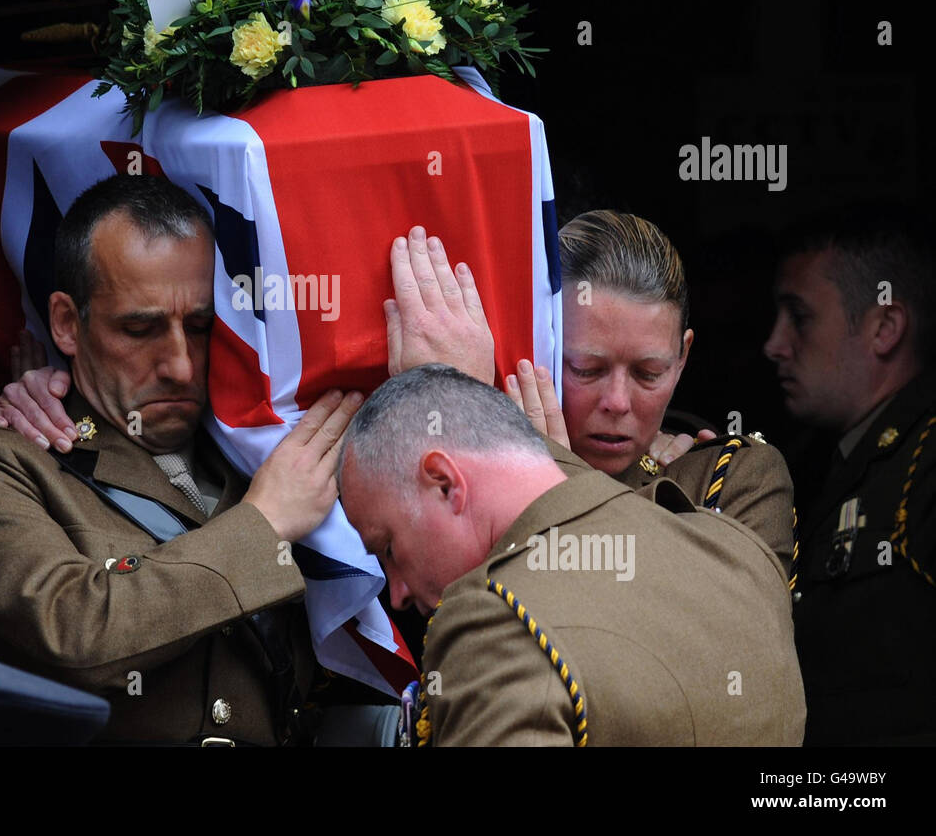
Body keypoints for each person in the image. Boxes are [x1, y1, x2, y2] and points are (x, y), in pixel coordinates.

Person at [0, 175, 367, 745]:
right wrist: (265, 524)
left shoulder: (257, 452)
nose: (178, 364)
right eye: (139, 327)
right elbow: (72, 634)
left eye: (200, 327)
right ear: (65, 324)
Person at [336, 363, 805, 746]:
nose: (395, 592)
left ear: (444, 482)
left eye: (389, 548)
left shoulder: (496, 622)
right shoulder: (736, 550)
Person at [504, 210, 795, 574]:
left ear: (682, 356)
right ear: (541, 346)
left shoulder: (724, 482)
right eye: (586, 369)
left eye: (648, 374)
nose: (617, 402)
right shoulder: (488, 474)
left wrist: (560, 487)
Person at [764, 211, 936, 744]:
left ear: (885, 328)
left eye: (800, 317)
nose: (774, 344)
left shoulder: (926, 463)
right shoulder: (816, 460)